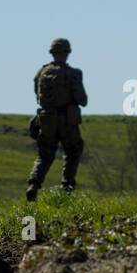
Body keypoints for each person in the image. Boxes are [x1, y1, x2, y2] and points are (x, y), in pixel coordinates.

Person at [26, 38, 87, 200]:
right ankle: (66, 187)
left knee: (44, 155)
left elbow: (37, 94)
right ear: (67, 53)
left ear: (52, 53)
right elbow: (82, 100)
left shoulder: (41, 72)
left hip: (47, 120)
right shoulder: (74, 73)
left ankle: (34, 184)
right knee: (73, 151)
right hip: (67, 120)